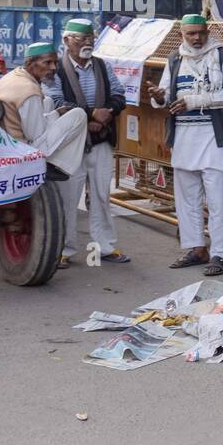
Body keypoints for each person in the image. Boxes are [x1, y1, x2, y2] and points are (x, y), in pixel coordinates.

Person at [146, 13, 223, 278]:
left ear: (207, 31)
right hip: (185, 140)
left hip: (215, 139)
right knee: (186, 199)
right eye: (191, 34)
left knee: (218, 201)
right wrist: (159, 96)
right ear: (182, 35)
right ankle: (196, 248)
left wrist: (196, 101)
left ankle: (220, 254)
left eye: (201, 33)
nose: (197, 38)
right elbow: (166, 95)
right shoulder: (175, 58)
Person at [43, 18, 130, 269]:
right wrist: (91, 114)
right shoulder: (55, 69)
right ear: (66, 41)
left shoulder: (102, 66)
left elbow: (119, 96)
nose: (87, 42)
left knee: (102, 194)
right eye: (80, 38)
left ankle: (106, 246)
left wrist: (105, 115)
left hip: (101, 140)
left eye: (90, 38)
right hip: (71, 146)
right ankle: (64, 250)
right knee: (69, 197)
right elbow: (57, 103)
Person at [0, 41, 87, 181]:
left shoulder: (14, 76)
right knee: (79, 115)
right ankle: (56, 164)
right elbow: (35, 136)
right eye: (47, 63)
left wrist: (56, 114)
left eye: (55, 63)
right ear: (31, 63)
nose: (53, 67)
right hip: (21, 149)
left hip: (7, 140)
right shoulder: (28, 90)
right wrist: (56, 117)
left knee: (48, 101)